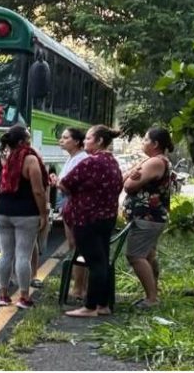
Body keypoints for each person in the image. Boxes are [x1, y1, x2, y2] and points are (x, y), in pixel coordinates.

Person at [0, 125, 48, 308]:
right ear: (22, 142)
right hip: (26, 214)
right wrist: (43, 214)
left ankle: (3, 295)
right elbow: (38, 191)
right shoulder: (30, 160)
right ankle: (24, 297)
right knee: (23, 255)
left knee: (5, 254)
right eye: (29, 138)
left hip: (2, 213)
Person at [59, 125, 123, 318]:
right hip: (107, 217)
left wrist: (74, 193)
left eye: (88, 138)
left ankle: (90, 306)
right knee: (102, 260)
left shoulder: (91, 162)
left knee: (94, 262)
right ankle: (103, 305)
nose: (85, 141)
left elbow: (64, 183)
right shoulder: (112, 162)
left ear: (99, 141)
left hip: (86, 218)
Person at [122, 127, 174, 309]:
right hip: (149, 218)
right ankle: (153, 293)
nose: (142, 142)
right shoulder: (153, 161)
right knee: (149, 255)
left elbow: (128, 186)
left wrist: (133, 175)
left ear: (155, 144)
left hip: (148, 217)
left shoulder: (155, 162)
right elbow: (125, 178)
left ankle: (151, 298)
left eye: (145, 139)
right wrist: (133, 172)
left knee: (135, 255)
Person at [49, 128, 89, 300]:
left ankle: (79, 287)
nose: (61, 140)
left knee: (78, 247)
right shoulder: (72, 159)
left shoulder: (82, 159)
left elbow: (69, 186)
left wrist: (57, 183)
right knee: (74, 246)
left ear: (77, 141)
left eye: (66, 138)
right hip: (69, 205)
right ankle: (79, 286)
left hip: (75, 206)